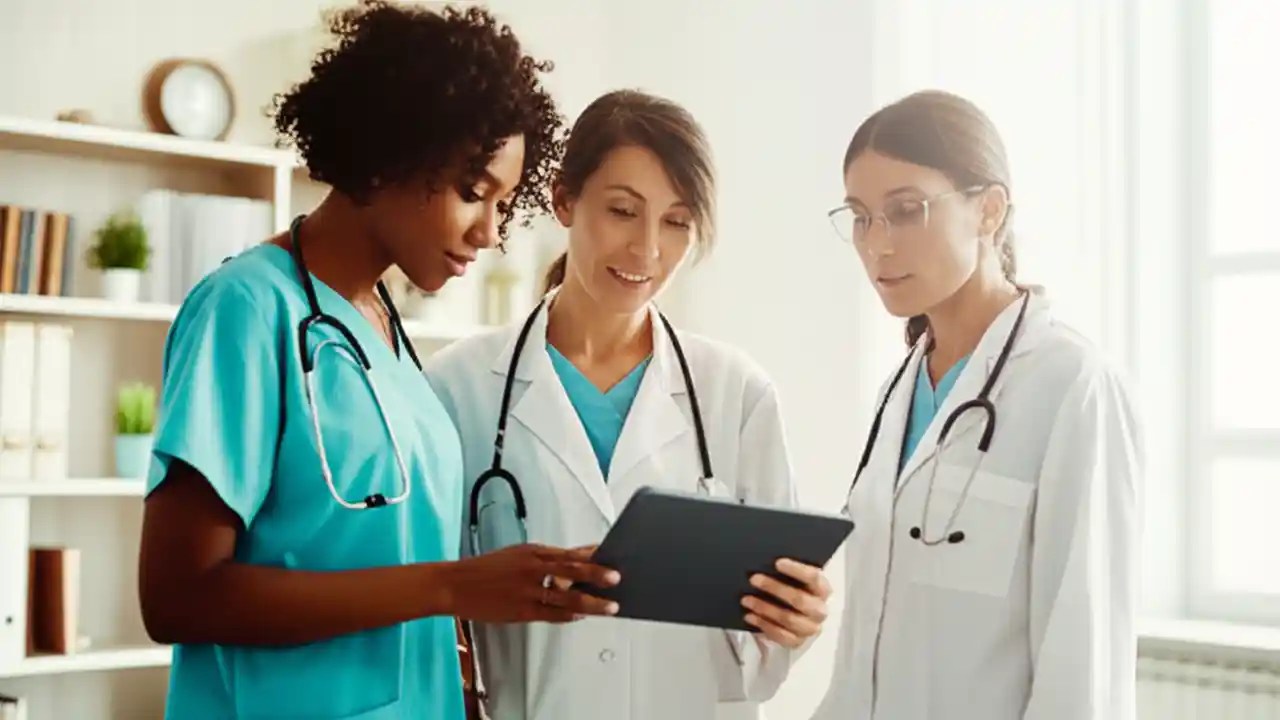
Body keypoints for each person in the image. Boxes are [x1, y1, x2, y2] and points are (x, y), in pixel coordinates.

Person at [136, 4, 621, 719]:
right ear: (392, 154)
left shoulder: (387, 332)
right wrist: (451, 586)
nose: (490, 231)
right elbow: (177, 597)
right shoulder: (246, 309)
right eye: (472, 192)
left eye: (504, 202)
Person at [423, 89, 834, 720]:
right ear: (565, 200)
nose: (647, 249)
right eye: (623, 211)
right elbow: (427, 611)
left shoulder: (735, 394)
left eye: (676, 222)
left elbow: (755, 664)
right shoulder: (459, 387)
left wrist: (793, 622)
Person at [811, 89, 1144, 720]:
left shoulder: (1073, 386)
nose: (877, 244)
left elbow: (1083, 667)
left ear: (989, 211)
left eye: (906, 210)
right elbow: (867, 648)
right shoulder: (899, 392)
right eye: (860, 216)